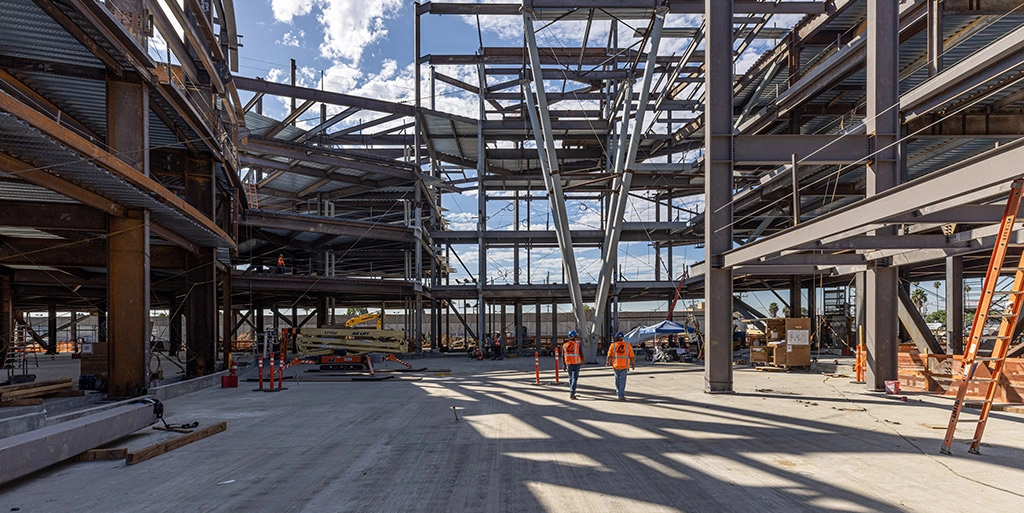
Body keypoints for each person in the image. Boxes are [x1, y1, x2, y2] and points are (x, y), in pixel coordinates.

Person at [605, 331, 635, 401]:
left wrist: (607, 362)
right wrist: (633, 364)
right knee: (622, 381)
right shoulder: (628, 345)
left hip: (616, 366)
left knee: (617, 381)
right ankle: (621, 395)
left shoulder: (613, 345)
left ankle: (619, 394)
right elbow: (632, 356)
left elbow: (609, 355)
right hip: (624, 366)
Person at [562, 330, 583, 399]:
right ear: (574, 337)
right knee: (574, 378)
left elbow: (562, 355)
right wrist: (583, 361)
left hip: (568, 363)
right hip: (576, 363)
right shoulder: (578, 344)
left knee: (571, 378)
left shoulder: (565, 345)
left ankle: (572, 391)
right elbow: (581, 353)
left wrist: (564, 365)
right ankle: (572, 393)